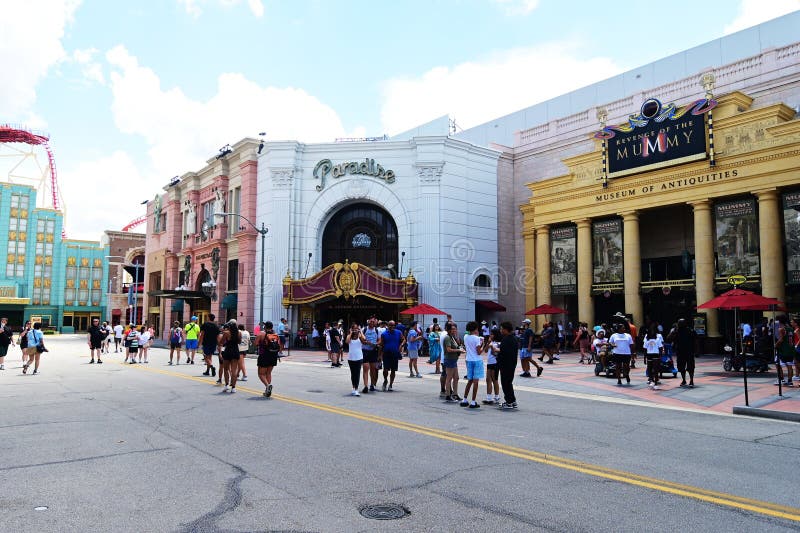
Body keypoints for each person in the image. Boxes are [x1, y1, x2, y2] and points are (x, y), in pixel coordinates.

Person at [461, 321, 486, 408]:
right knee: (476, 382)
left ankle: (464, 399)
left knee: (470, 380)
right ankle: (473, 401)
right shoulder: (476, 339)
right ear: (475, 329)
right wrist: (483, 344)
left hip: (469, 360)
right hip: (477, 360)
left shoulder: (465, 337)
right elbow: (479, 352)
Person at [256, 321, 282, 397]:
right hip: (273, 355)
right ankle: (267, 390)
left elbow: (256, 343)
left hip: (264, 355)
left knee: (261, 374)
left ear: (265, 327)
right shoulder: (276, 335)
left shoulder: (261, 334)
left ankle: (267, 386)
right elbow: (279, 346)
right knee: (268, 373)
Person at [497, 322, 519, 409]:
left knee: (505, 383)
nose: (501, 330)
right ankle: (513, 401)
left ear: (506, 330)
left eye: (502, 329)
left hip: (505, 365)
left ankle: (509, 402)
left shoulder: (506, 340)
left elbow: (503, 353)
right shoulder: (514, 339)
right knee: (509, 383)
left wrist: (496, 351)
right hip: (512, 364)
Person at [378, 320, 405, 391]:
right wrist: (379, 355)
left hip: (395, 354)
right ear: (388, 326)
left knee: (393, 370)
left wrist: (401, 345)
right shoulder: (384, 334)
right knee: (385, 370)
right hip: (386, 354)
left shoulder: (398, 332)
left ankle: (390, 385)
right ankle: (385, 380)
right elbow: (381, 345)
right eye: (390, 325)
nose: (392, 326)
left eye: (393, 325)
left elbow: (403, 340)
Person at [670, 319, 695, 388]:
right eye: (679, 323)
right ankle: (684, 380)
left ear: (684, 324)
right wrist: (673, 332)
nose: (679, 324)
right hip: (680, 352)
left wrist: (697, 351)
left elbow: (696, 341)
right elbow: (669, 339)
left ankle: (691, 380)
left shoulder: (690, 330)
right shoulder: (677, 331)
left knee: (690, 367)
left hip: (689, 351)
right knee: (681, 367)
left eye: (680, 323)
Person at [442, 323, 463, 402]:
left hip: (454, 360)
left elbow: (456, 346)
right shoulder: (447, 338)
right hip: (449, 359)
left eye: (455, 329)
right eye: (452, 329)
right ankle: (448, 395)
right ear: (449, 329)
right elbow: (448, 349)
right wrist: (459, 350)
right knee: (449, 378)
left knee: (456, 378)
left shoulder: (452, 337)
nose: (454, 330)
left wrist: (459, 348)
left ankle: (455, 394)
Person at [219, 320, 241, 393]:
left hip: (228, 351)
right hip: (235, 351)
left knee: (226, 369)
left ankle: (226, 385)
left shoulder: (226, 333)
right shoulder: (239, 333)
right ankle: (233, 388)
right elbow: (239, 342)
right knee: (234, 370)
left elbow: (221, 342)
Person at [346, 323, 366, 396]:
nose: (355, 330)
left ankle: (356, 389)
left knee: (357, 374)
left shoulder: (360, 336)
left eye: (356, 328)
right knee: (352, 374)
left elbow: (364, 339)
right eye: (353, 329)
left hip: (359, 358)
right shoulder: (349, 336)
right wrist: (351, 333)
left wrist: (360, 331)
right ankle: (353, 388)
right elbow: (347, 341)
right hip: (351, 358)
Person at [775, 316, 795, 387]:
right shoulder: (791, 329)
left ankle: (781, 379)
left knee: (777, 364)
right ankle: (790, 381)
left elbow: (781, 340)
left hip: (783, 350)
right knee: (789, 365)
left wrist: (775, 345)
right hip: (790, 349)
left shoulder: (781, 329)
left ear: (779, 321)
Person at [197, 314, 219, 379]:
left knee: (206, 356)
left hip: (206, 342)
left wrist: (199, 343)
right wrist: (218, 344)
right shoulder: (216, 326)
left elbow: (202, 334)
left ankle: (211, 366)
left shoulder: (205, 324)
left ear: (209, 318)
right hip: (213, 343)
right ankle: (207, 371)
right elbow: (217, 336)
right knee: (210, 356)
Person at [483, 329, 502, 405]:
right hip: (489, 362)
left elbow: (497, 353)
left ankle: (497, 397)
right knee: (488, 379)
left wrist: (493, 349)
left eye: (492, 334)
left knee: (495, 380)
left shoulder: (498, 343)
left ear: (496, 335)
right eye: (490, 334)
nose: (490, 335)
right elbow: (486, 351)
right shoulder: (490, 342)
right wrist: (488, 342)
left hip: (495, 363)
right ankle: (489, 397)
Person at [362, 317, 380, 393]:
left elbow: (379, 340)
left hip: (373, 351)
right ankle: (365, 386)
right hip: (365, 351)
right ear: (368, 322)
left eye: (373, 322)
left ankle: (372, 385)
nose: (372, 323)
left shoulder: (377, 330)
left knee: (373, 370)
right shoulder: (364, 329)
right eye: (371, 321)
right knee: (365, 368)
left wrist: (375, 344)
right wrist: (364, 342)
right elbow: (361, 339)